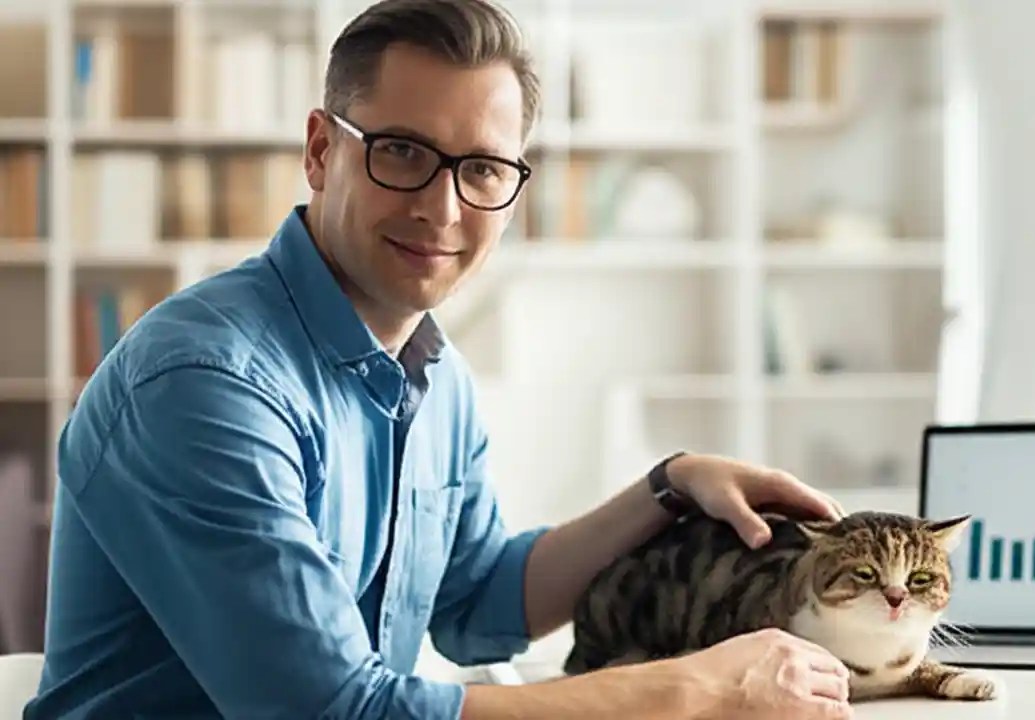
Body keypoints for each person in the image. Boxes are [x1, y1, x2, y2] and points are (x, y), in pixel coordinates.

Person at [24, 1, 856, 718]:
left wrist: (668, 488)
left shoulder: (432, 370)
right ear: (321, 151)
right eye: (403, 153)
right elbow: (330, 710)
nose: (443, 208)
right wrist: (693, 691)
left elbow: (476, 599)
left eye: (483, 169)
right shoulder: (204, 384)